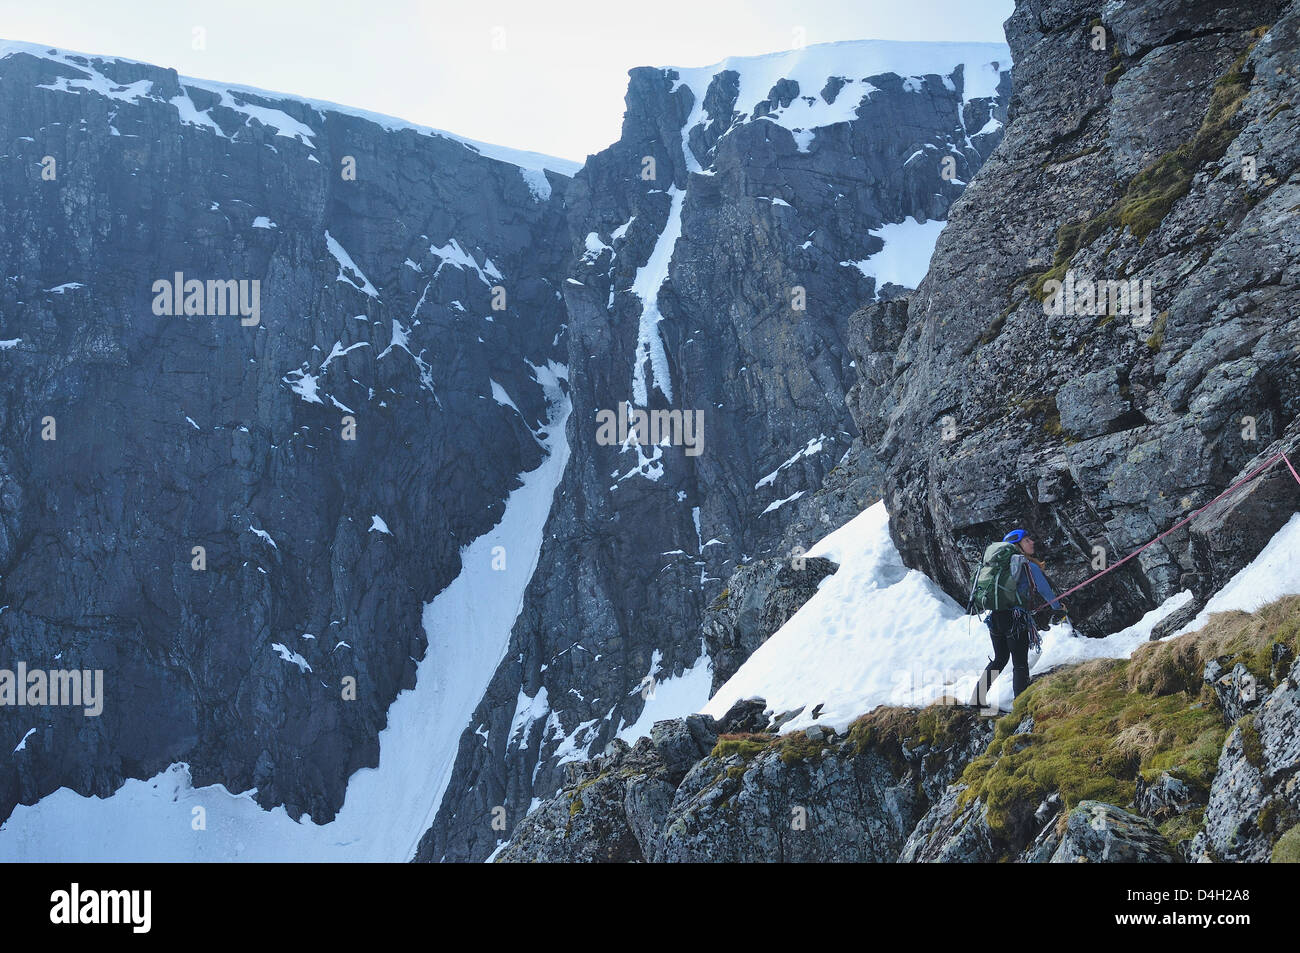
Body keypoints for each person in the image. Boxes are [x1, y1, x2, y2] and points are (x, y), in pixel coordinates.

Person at [968, 529, 1066, 709]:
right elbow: (1044, 590)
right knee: (1020, 664)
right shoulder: (1027, 565)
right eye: (1027, 540)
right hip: (1016, 619)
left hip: (996, 617)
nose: (1032, 543)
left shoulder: (999, 568)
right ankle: (1020, 705)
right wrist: (1057, 609)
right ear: (1018, 545)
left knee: (1000, 659)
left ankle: (977, 698)